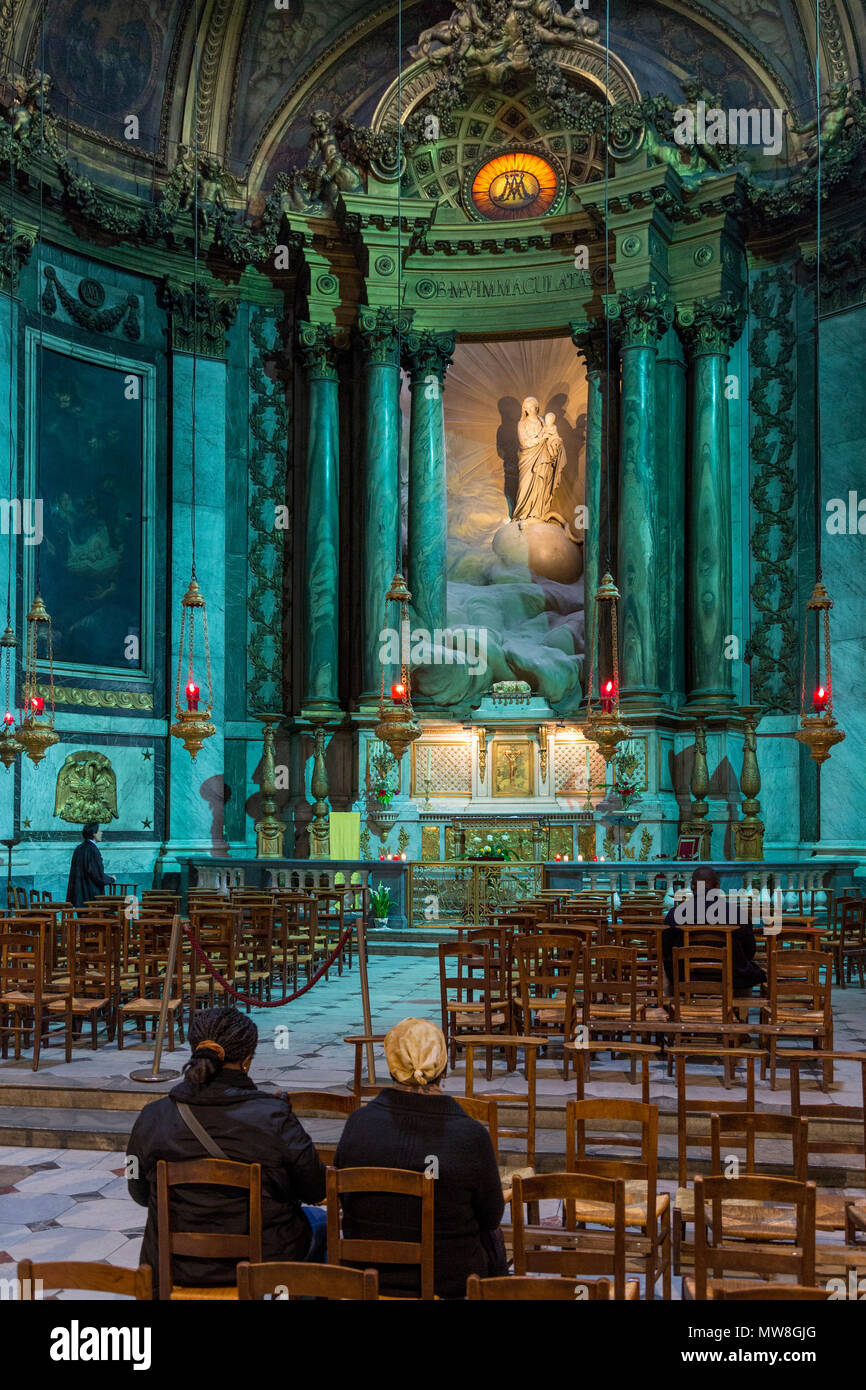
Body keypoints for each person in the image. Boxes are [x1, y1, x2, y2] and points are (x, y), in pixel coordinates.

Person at [127, 1007, 326, 1296]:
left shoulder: (153, 1116)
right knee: (322, 1223)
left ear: (194, 1049)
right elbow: (315, 1188)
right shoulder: (273, 1116)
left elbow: (139, 1193)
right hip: (264, 1262)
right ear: (247, 1060)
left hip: (174, 1265)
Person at [335, 1018, 506, 1298]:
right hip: (448, 1281)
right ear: (443, 1066)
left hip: (366, 1276)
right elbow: (491, 1216)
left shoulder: (358, 1124)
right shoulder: (469, 1135)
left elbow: (346, 1200)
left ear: (391, 1066)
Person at [662, 866, 765, 995]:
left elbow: (666, 950)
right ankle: (740, 1014)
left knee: (668, 967)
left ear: (692, 886)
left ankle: (672, 1009)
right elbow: (749, 951)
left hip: (685, 978)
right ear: (717, 887)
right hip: (730, 976)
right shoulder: (737, 914)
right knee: (747, 968)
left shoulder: (675, 914)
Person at [65, 821, 115, 907]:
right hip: (91, 899)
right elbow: (97, 875)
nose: (102, 833)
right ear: (94, 834)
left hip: (79, 898)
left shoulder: (79, 848)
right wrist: (111, 879)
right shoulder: (92, 850)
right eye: (99, 831)